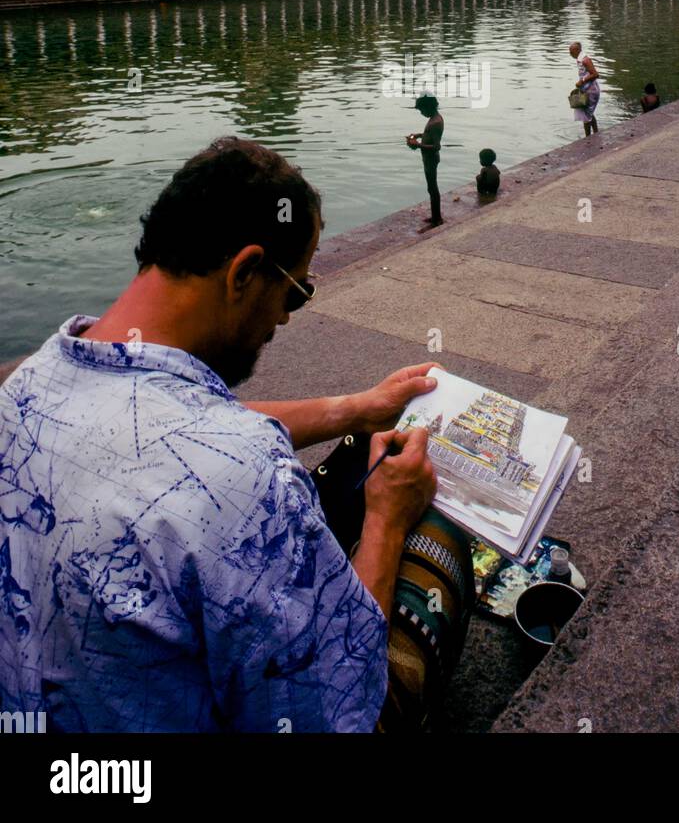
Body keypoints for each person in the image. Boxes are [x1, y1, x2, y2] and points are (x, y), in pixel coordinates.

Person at [0, 137, 471, 733]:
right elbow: (334, 709)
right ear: (246, 271)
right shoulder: (247, 477)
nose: (284, 317)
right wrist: (387, 520)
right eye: (295, 291)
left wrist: (357, 409)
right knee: (435, 533)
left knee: (357, 454)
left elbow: (173, 430)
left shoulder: (30, 381)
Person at [406, 94, 444, 231]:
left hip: (431, 159)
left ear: (428, 107)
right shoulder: (434, 119)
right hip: (428, 159)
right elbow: (429, 135)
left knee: (432, 188)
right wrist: (418, 135)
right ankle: (435, 216)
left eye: (422, 110)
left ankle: (437, 219)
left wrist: (417, 145)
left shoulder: (435, 123)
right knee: (431, 188)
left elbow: (436, 146)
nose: (422, 113)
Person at [569, 40, 600, 137]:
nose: (570, 53)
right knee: (589, 113)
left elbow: (595, 74)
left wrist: (582, 81)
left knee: (586, 116)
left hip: (591, 91)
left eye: (571, 51)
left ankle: (588, 138)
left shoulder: (585, 60)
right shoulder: (579, 59)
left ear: (578, 50)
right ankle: (596, 133)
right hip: (586, 90)